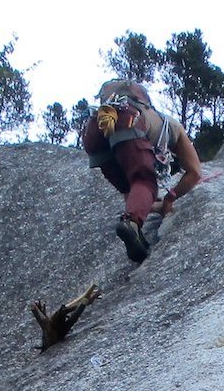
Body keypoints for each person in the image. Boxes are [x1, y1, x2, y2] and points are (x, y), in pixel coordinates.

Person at [78, 78, 203, 263]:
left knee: (133, 188)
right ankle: (132, 224)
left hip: (96, 130)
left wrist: (155, 205)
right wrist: (170, 197)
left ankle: (134, 229)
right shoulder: (167, 123)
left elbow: (131, 196)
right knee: (144, 181)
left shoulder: (104, 112)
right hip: (127, 122)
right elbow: (195, 172)